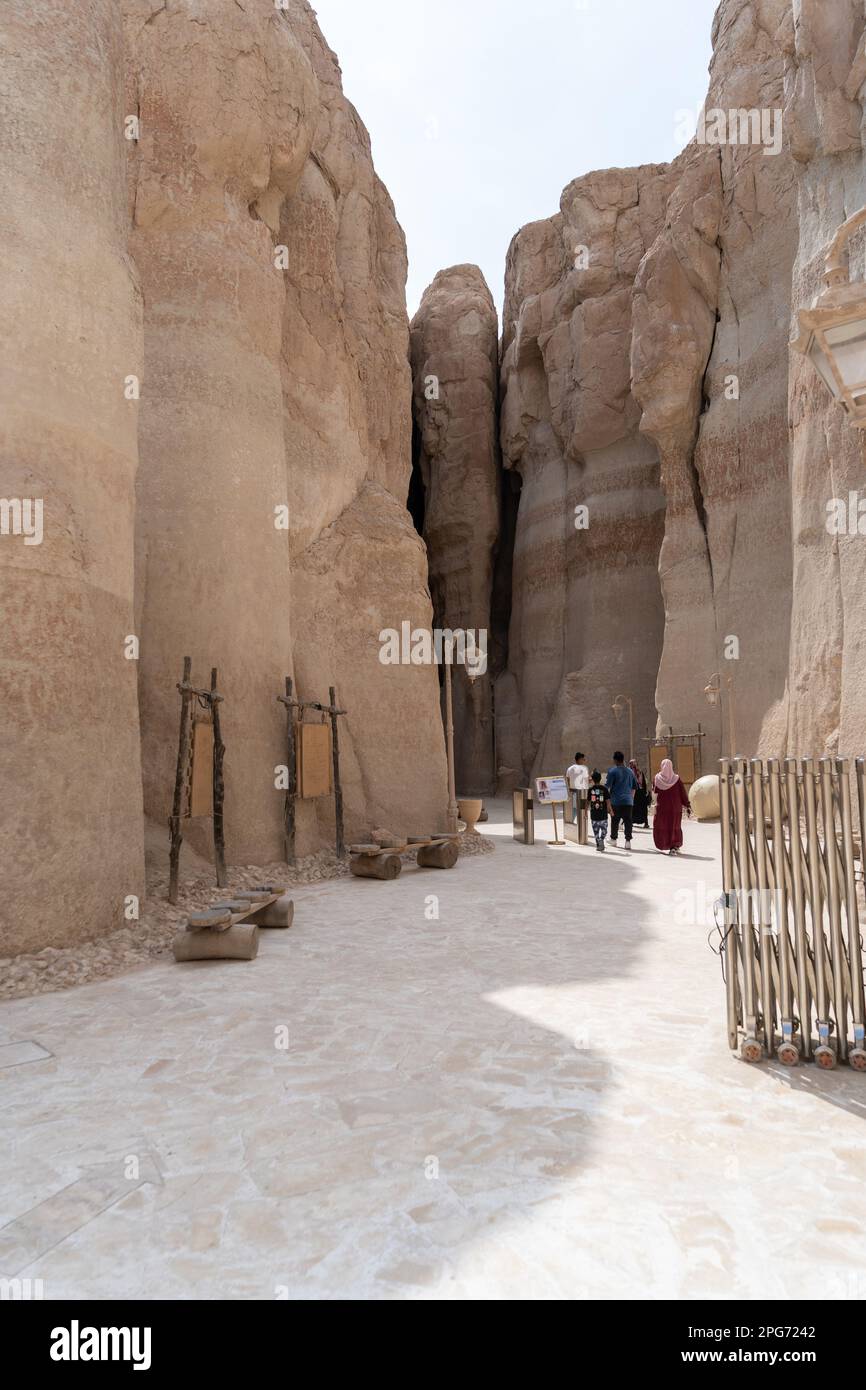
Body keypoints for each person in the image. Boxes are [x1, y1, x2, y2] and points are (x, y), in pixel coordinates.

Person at [652, 757, 691, 855]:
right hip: (675, 808)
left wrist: (653, 803)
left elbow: (654, 792)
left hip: (662, 808)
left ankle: (667, 844)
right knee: (674, 826)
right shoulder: (676, 779)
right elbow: (683, 793)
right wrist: (687, 804)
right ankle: (674, 846)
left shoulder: (657, 778)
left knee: (663, 825)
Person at [606, 751, 637, 850]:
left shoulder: (612, 771)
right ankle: (628, 842)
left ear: (615, 760)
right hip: (628, 801)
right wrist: (631, 798)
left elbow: (607, 787)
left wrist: (607, 802)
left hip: (616, 801)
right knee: (628, 821)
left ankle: (614, 840)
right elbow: (634, 787)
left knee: (615, 820)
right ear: (623, 759)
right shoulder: (630, 772)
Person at [565, 751, 590, 844]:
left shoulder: (570, 768)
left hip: (572, 792)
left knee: (574, 811)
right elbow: (587, 780)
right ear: (579, 759)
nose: (584, 760)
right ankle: (581, 830)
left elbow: (567, 780)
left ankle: (571, 829)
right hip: (581, 793)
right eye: (583, 759)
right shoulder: (584, 768)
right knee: (581, 811)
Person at [588, 769, 610, 851]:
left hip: (594, 815)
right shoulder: (604, 789)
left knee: (596, 831)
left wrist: (586, 812)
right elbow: (608, 801)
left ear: (592, 779)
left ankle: (599, 844)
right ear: (600, 778)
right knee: (604, 831)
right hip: (603, 815)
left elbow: (588, 801)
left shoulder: (590, 790)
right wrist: (610, 810)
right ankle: (601, 841)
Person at [629, 759, 651, 828]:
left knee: (634, 807)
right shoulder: (639, 772)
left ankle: (632, 822)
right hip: (640, 792)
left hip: (634, 792)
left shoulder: (630, 772)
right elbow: (644, 783)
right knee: (642, 807)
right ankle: (645, 823)